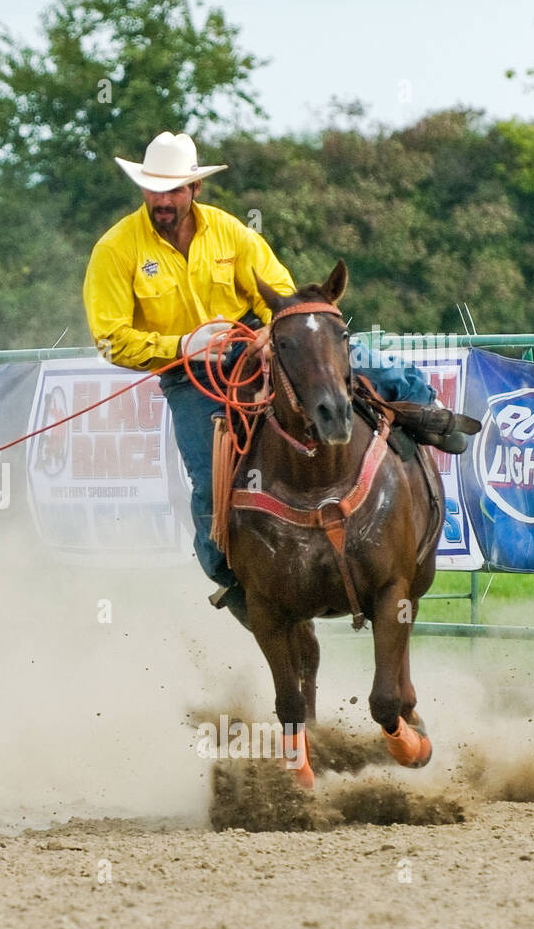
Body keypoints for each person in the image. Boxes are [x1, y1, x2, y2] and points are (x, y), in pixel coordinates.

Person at [83, 130, 474, 630]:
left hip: (256, 346)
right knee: (209, 484)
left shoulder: (231, 234)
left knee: (348, 358)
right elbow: (111, 338)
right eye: (155, 189)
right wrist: (181, 346)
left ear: (194, 190)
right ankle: (232, 575)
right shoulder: (116, 250)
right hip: (190, 378)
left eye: (174, 189)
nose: (163, 199)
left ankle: (426, 414)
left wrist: (269, 331)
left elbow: (287, 295)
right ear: (143, 190)